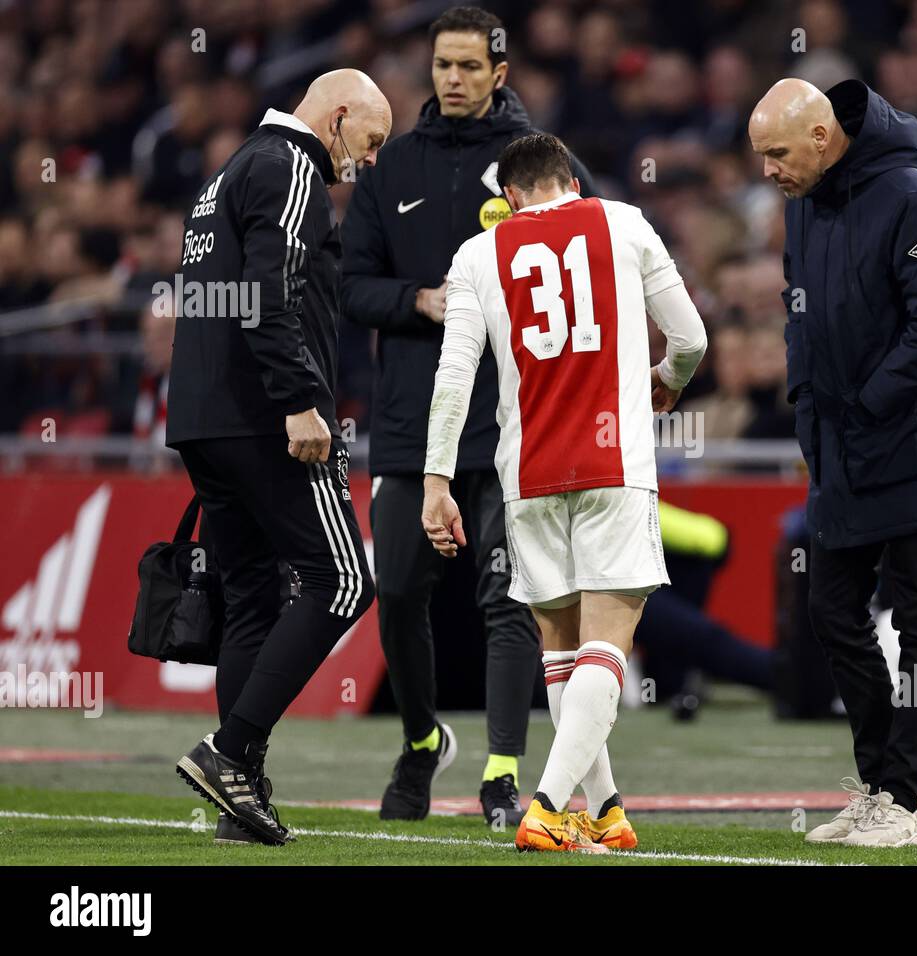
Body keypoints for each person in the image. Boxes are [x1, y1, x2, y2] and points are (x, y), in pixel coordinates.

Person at [342, 5, 598, 827]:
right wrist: (419, 298)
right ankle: (422, 741)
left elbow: (583, 259)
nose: (451, 78)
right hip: (413, 420)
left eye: (466, 66)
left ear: (499, 73)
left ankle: (499, 772)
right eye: (441, 64)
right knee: (399, 589)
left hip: (515, 416)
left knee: (509, 595)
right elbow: (349, 284)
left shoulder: (538, 164)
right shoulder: (393, 166)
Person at [420, 133, 707, 853]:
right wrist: (669, 377)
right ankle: (547, 806)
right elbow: (693, 338)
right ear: (570, 179)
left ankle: (606, 809)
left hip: (527, 475)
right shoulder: (625, 222)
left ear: (509, 198)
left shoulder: (477, 254)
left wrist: (436, 481)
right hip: (614, 464)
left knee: (561, 647)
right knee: (607, 642)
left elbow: (454, 379)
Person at [749, 78, 917, 848]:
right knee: (828, 611)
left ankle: (904, 799)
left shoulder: (911, 197)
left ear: (822, 138)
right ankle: (880, 786)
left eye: (778, 154)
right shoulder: (803, 204)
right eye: (760, 157)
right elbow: (797, 309)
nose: (769, 172)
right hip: (844, 447)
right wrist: (806, 395)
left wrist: (873, 399)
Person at [167, 70, 391, 845]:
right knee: (343, 579)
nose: (364, 166)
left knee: (254, 598)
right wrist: (300, 397)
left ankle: (241, 796)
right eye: (367, 144)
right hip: (268, 416)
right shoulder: (292, 165)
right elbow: (271, 287)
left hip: (204, 416)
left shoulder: (230, 169)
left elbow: (210, 298)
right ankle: (231, 753)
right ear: (334, 118)